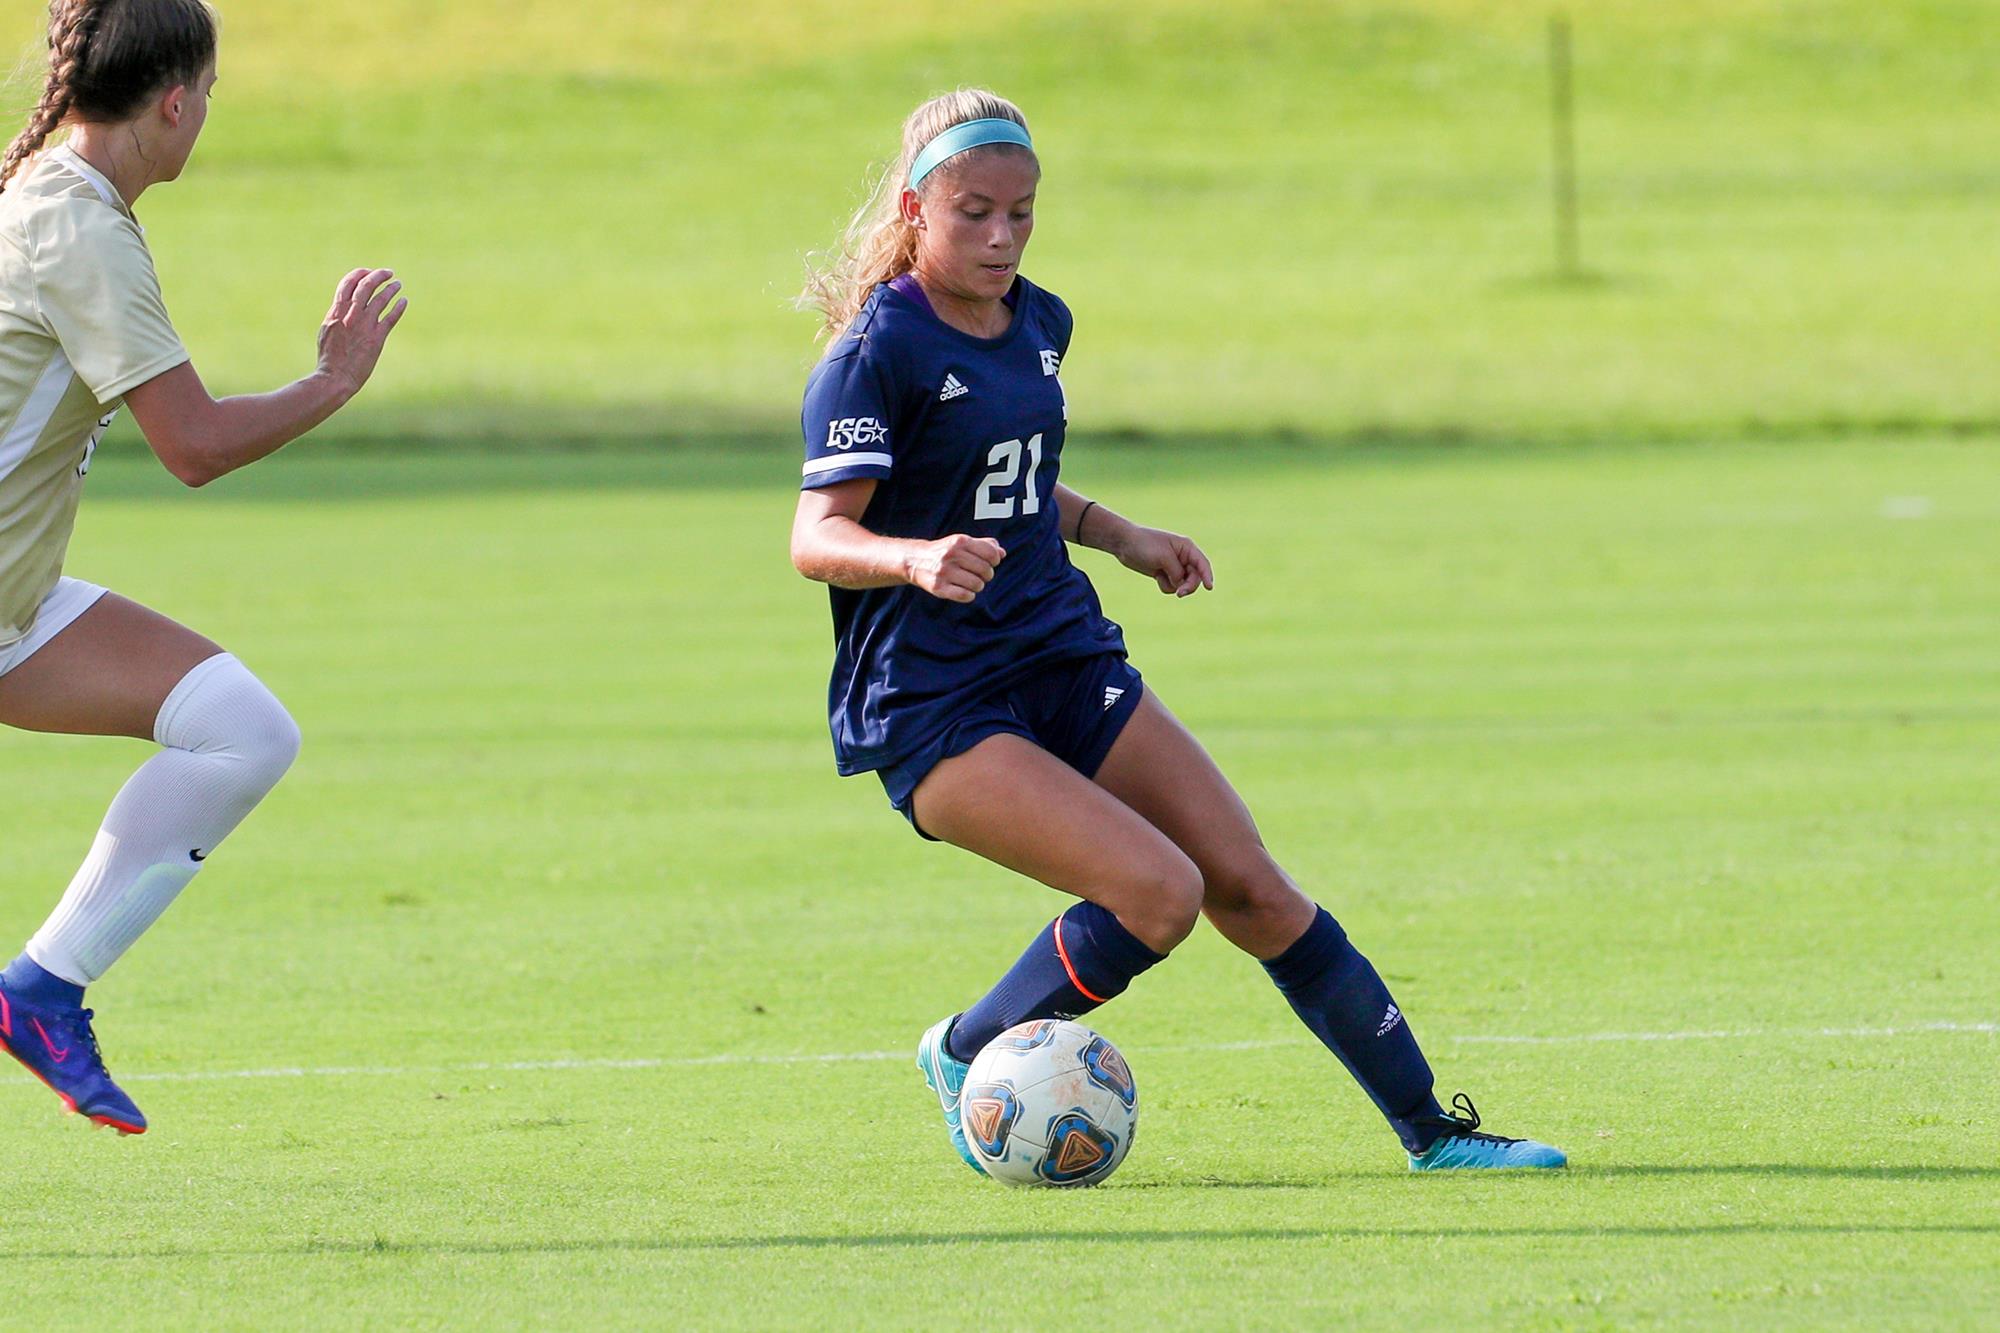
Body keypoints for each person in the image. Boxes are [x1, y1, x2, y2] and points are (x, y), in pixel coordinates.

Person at [792, 89, 1564, 1173]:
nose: (1001, 236)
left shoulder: (1039, 322)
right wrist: (911, 557)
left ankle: (1432, 1133)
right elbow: (817, 532)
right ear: (916, 208)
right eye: (974, 213)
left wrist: (1117, 532)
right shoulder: (874, 354)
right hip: (933, 700)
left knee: (1251, 887)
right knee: (1158, 893)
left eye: (1021, 212)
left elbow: (1014, 482)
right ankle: (964, 1050)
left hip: (1058, 651)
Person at [0, 0, 406, 1134]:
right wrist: (330, 383)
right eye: (211, 95)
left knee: (241, 724)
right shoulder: (72, 223)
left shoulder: (54, 199)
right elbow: (194, 446)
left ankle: (40, 990)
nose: (208, 114)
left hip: (12, 606)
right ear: (173, 99)